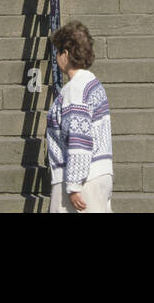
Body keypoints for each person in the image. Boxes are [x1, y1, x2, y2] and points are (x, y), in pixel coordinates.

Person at [46, 22, 113, 214]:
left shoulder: (75, 90)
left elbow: (78, 138)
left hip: (82, 180)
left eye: (58, 51)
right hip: (99, 173)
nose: (57, 57)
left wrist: (73, 185)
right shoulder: (93, 84)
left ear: (65, 54)